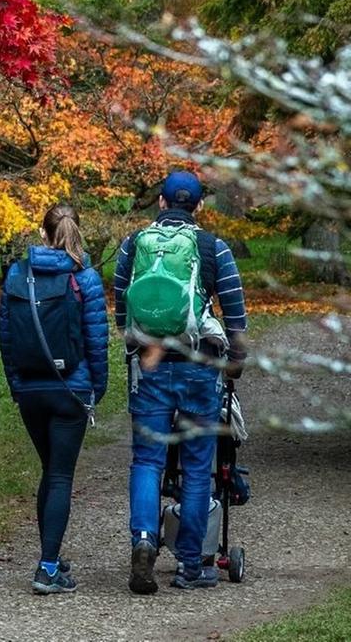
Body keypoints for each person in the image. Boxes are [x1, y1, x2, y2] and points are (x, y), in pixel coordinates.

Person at [115, 169, 249, 593]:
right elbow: (235, 311)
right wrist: (235, 360)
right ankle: (192, 564)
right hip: (199, 366)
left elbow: (122, 306)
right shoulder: (213, 248)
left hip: (150, 367)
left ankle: (143, 539)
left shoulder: (134, 244)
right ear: (200, 206)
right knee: (195, 467)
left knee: (147, 460)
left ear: (161, 202)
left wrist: (138, 345)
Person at [0, 203, 110, 594]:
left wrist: (16, 385)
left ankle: (52, 556)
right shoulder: (86, 278)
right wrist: (95, 389)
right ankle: (47, 569)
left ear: (43, 233)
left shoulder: (17, 274)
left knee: (50, 471)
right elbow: (97, 341)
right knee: (60, 475)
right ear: (77, 231)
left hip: (31, 389)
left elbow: (6, 337)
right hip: (70, 390)